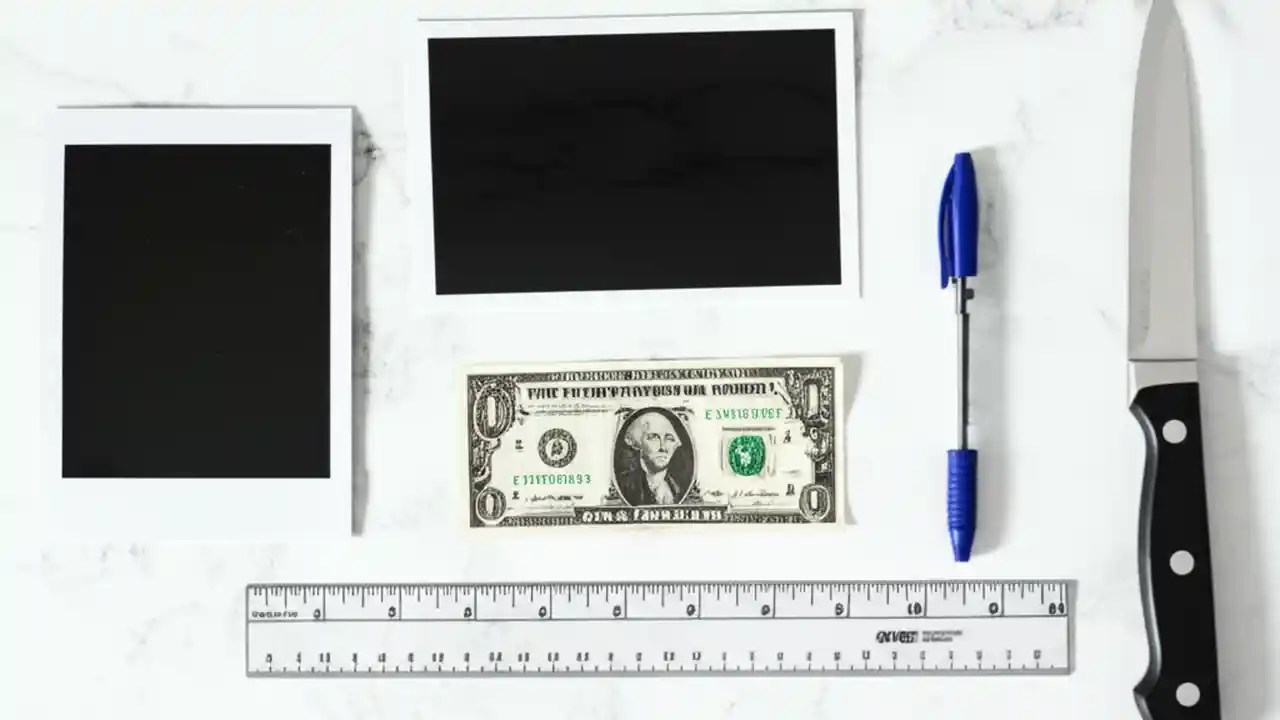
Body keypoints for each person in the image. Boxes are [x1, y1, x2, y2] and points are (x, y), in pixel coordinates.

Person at [613, 409, 691, 506]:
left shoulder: (679, 489)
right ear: (637, 442)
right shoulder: (626, 486)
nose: (663, 447)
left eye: (669, 439)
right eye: (654, 438)